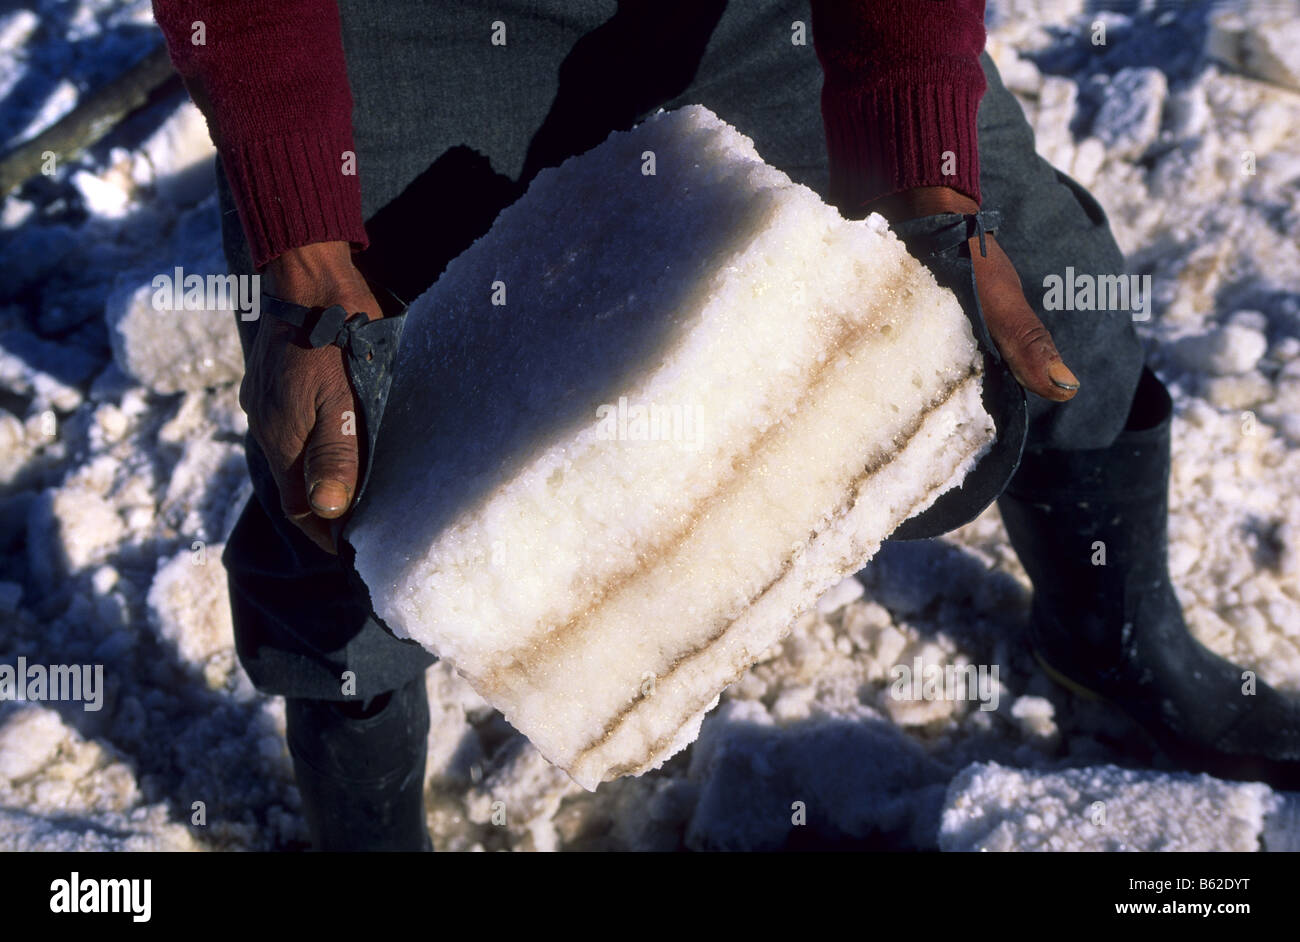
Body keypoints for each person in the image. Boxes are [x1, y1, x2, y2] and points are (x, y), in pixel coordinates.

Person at [151, 0, 1300, 851]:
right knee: (357, 463)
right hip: (392, 34)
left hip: (749, 15)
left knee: (1045, 293)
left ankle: (1111, 648)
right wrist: (298, 229)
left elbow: (935, 161)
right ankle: (368, 833)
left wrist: (921, 156)